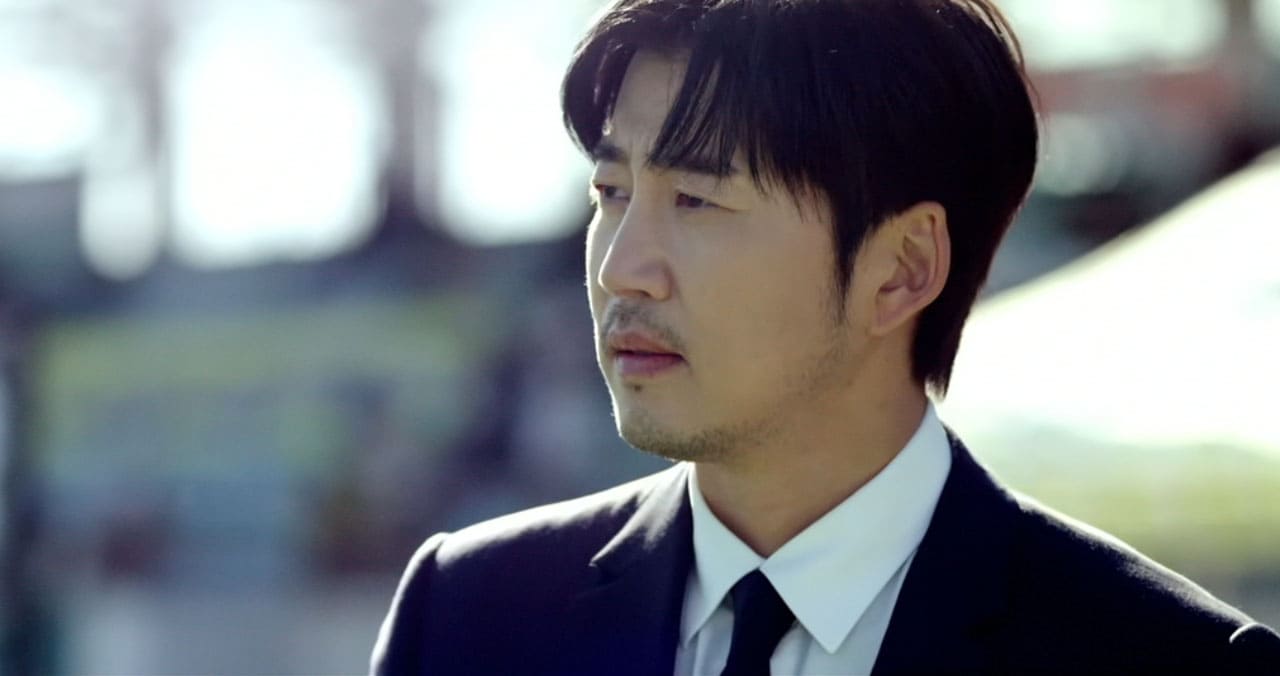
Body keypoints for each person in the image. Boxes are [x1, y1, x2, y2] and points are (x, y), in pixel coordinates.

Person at [371, 0, 1280, 673]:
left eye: (697, 200)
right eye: (610, 193)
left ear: (902, 268)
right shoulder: (468, 617)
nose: (621, 268)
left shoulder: (1166, 660)